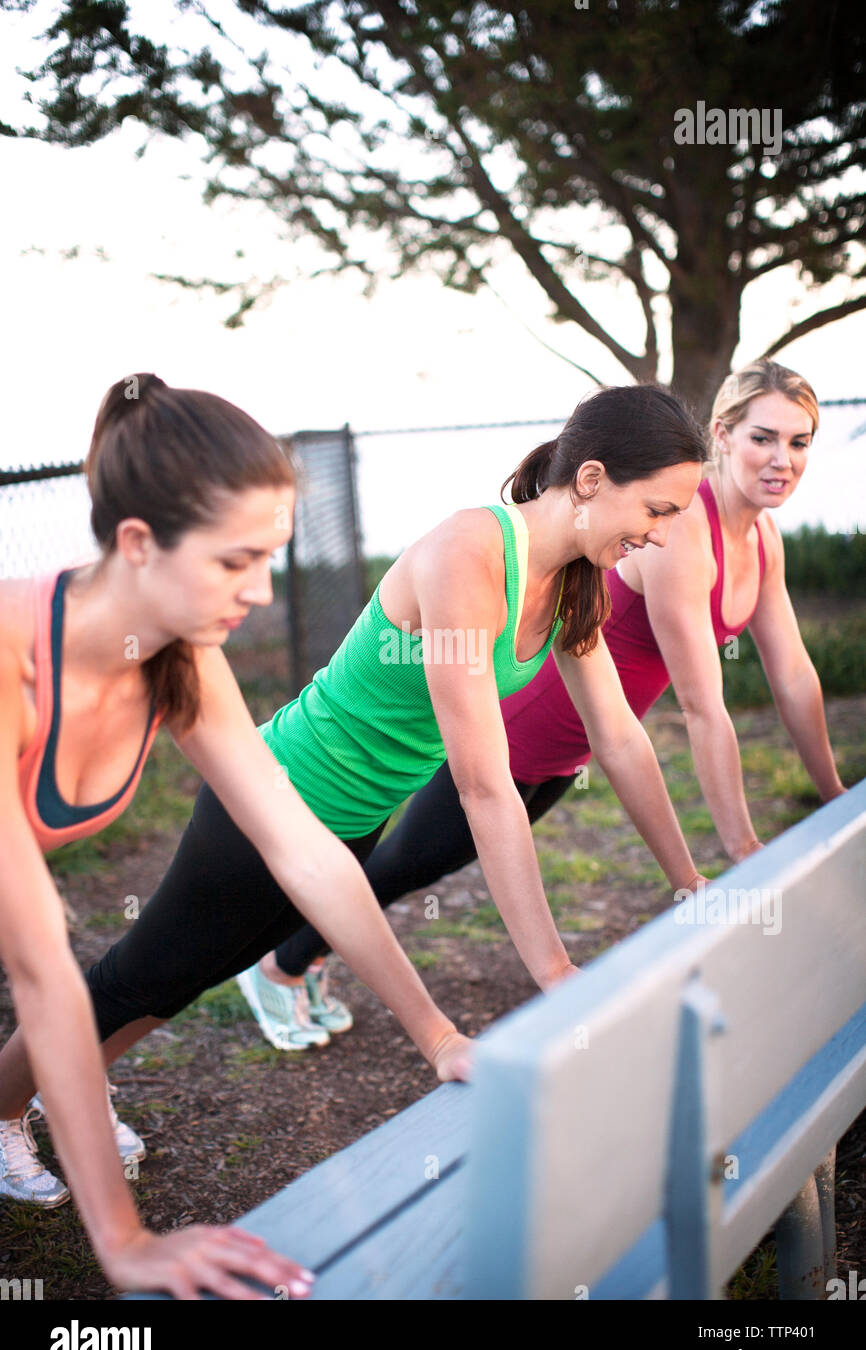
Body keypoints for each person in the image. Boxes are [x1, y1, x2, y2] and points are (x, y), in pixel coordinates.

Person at [22, 380, 713, 1096]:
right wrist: (554, 971)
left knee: (177, 984)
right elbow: (481, 784)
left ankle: (67, 1086)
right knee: (144, 976)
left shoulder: (573, 582)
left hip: (352, 822)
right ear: (593, 480)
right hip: (277, 796)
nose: (660, 533)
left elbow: (621, 740)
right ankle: (18, 1103)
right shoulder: (471, 554)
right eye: (657, 510)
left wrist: (689, 881)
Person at [0, 373, 470, 1301]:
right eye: (234, 561)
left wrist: (441, 1037)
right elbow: (45, 972)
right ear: (138, 543)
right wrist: (126, 1242)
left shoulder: (178, 652)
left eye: (272, 559)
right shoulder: (14, 660)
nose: (260, 591)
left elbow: (305, 850)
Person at [348, 360, 847, 925]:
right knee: (412, 863)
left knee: (423, 863)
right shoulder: (679, 531)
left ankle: (302, 946)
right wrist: (742, 850)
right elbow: (702, 707)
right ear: (724, 437)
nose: (783, 457)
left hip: (582, 742)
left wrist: (833, 797)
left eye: (799, 441)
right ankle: (288, 961)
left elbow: (792, 676)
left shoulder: (756, 539)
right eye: (764, 437)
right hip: (529, 724)